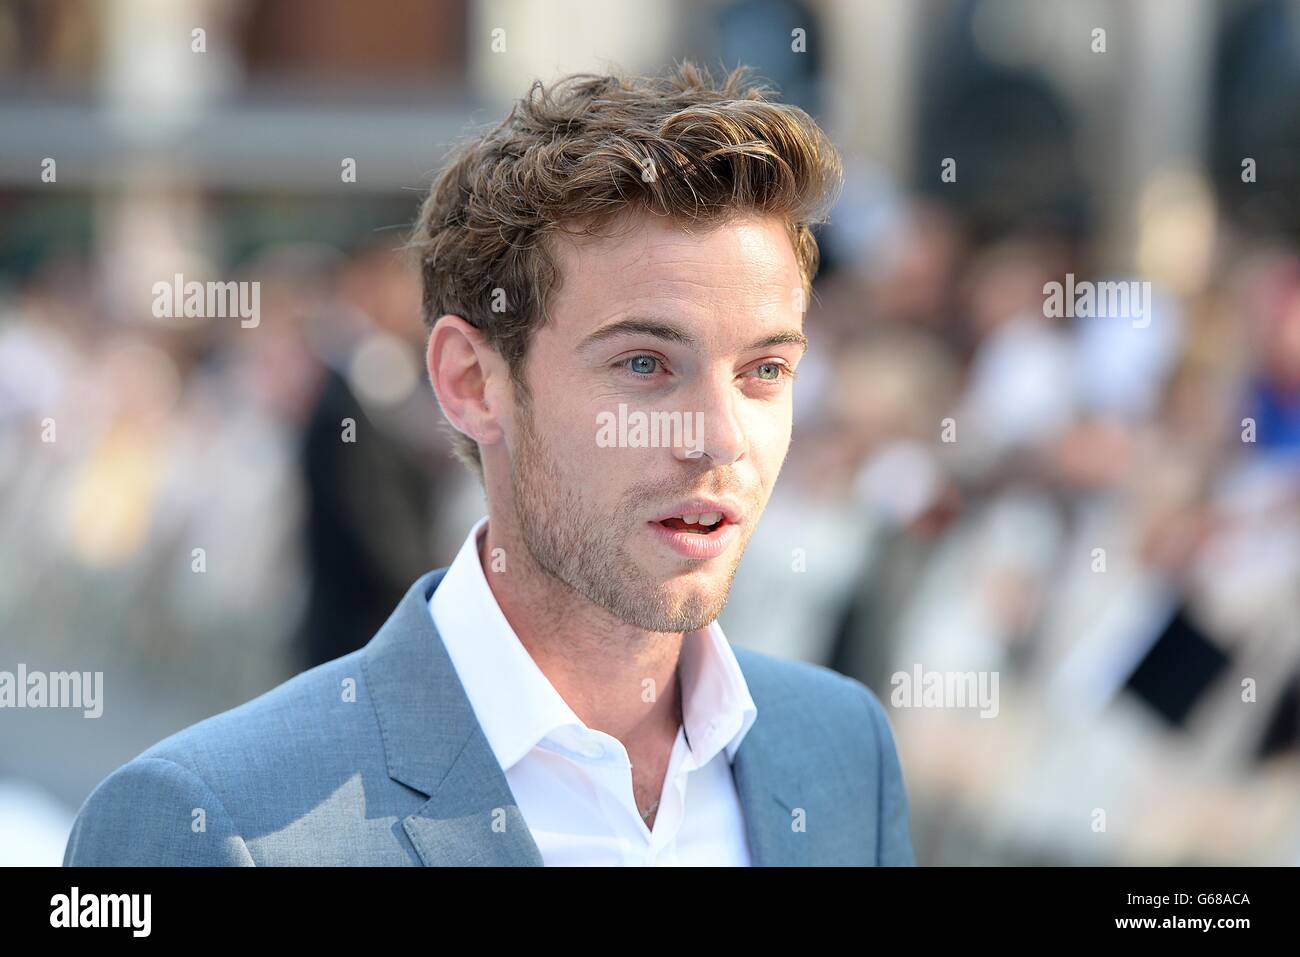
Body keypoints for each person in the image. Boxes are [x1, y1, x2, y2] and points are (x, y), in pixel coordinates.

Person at [63, 62, 914, 866]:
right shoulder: (211, 821)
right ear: (472, 383)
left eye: (765, 370)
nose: (722, 437)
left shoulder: (843, 750)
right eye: (645, 365)